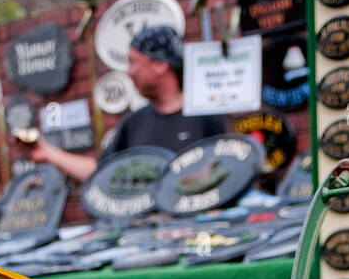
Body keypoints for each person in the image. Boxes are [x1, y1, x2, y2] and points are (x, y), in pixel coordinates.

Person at [19, 25, 225, 184]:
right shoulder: (133, 123)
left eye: (134, 62)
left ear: (161, 65)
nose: (129, 72)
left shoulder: (207, 114)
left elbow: (231, 171)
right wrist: (47, 152)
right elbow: (100, 172)